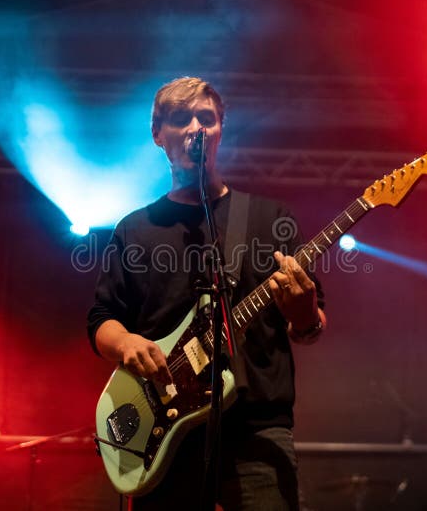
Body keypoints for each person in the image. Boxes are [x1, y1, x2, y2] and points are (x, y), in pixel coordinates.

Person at [87, 77, 327, 510]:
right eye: (181, 119)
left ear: (220, 131)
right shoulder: (135, 229)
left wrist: (305, 312)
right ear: (158, 135)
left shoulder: (270, 218)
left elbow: (310, 327)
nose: (196, 127)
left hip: (257, 430)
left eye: (207, 118)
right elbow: (101, 320)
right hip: (164, 433)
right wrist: (126, 344)